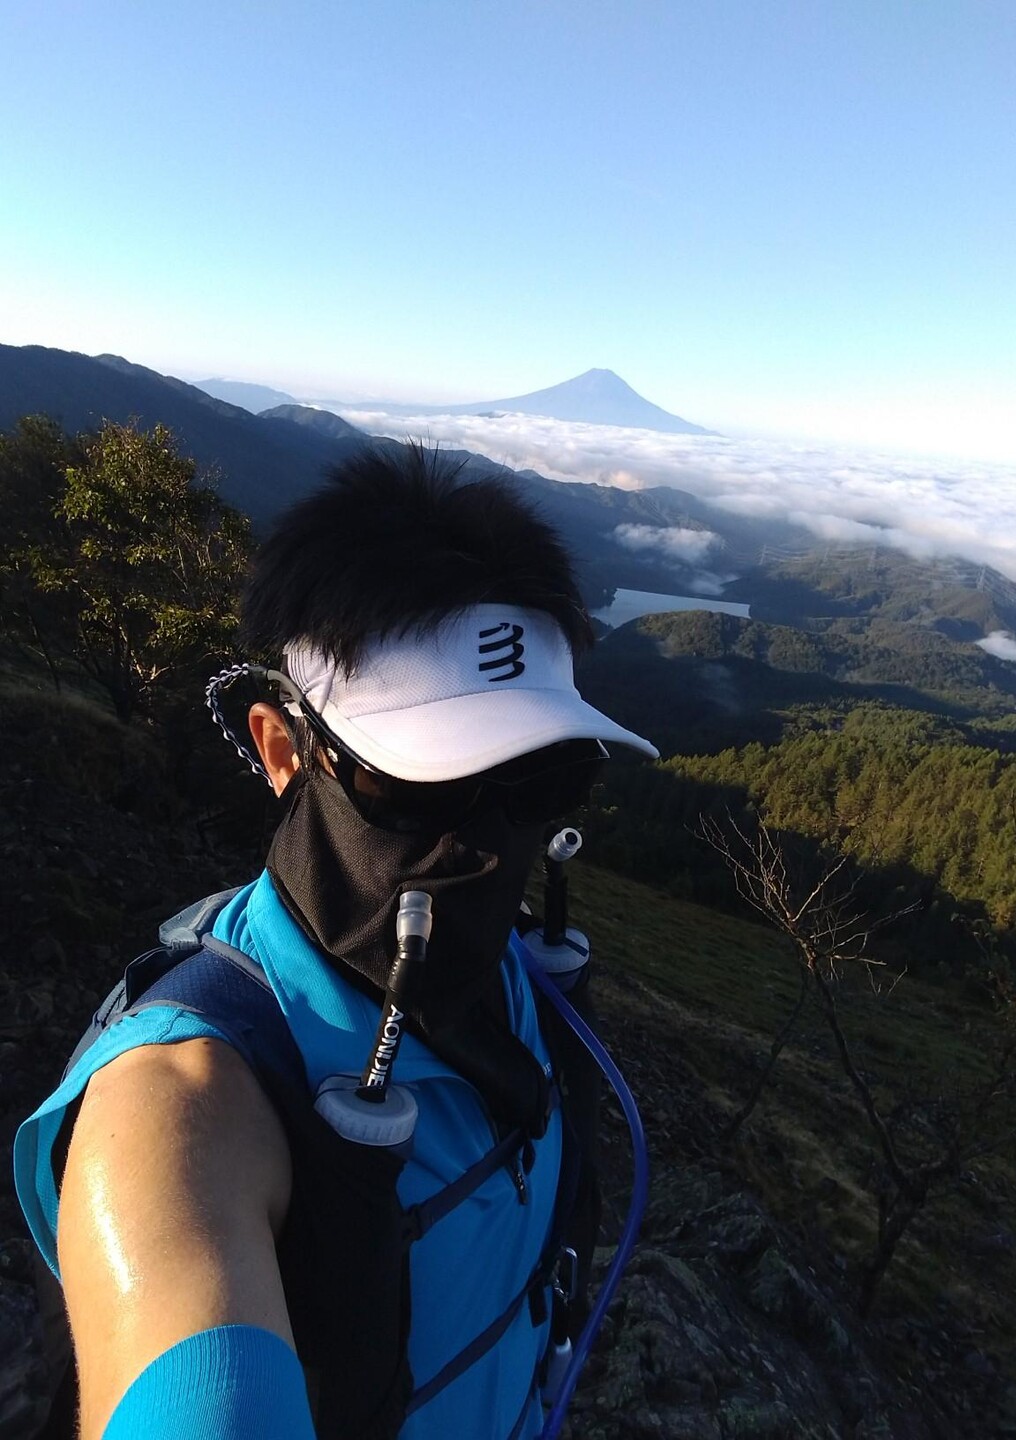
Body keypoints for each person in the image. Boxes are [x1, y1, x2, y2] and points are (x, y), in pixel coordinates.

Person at [15, 444, 657, 1440]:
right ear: (284, 751)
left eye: (539, 780)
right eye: (415, 785)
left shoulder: (519, 984)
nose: (479, 846)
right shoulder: (186, 1098)